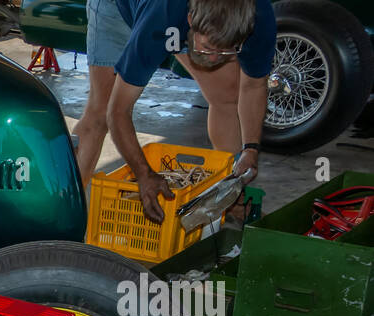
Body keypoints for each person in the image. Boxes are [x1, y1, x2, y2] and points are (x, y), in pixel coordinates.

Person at [74, 0, 277, 222]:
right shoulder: (163, 16)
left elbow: (255, 84)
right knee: (101, 113)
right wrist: (144, 174)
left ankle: (231, 200)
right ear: (191, 21)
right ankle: (67, 211)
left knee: (227, 94)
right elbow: (118, 111)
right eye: (209, 48)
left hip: (178, 19)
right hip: (118, 8)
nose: (213, 59)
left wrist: (251, 149)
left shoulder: (258, 17)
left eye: (226, 50)